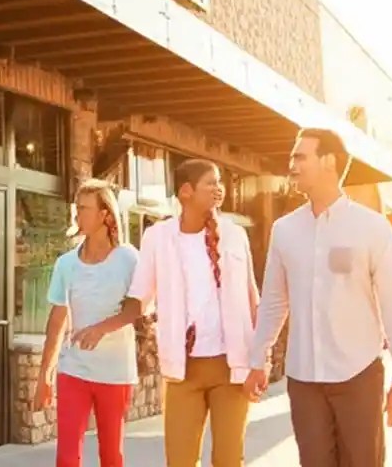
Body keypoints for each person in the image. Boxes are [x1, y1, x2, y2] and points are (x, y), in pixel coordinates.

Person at [243, 128, 392, 467]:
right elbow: (275, 301)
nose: (292, 164)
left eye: (300, 156)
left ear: (329, 162)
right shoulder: (285, 230)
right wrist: (257, 358)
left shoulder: (373, 228)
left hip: (359, 377)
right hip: (304, 381)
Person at [75, 159, 260, 467]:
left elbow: (253, 299)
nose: (219, 189)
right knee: (180, 461)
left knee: (228, 460)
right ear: (186, 192)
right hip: (182, 371)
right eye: (210, 183)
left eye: (220, 182)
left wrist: (260, 360)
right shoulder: (158, 238)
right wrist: (102, 326)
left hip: (232, 367)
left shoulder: (235, 236)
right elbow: (139, 300)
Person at [33, 179, 139, 467]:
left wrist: (100, 329)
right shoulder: (66, 264)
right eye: (76, 208)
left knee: (111, 456)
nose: (76, 215)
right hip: (74, 369)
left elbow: (136, 309)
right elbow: (57, 320)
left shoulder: (128, 259)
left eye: (83, 208)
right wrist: (45, 375)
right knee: (66, 457)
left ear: (105, 214)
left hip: (115, 372)